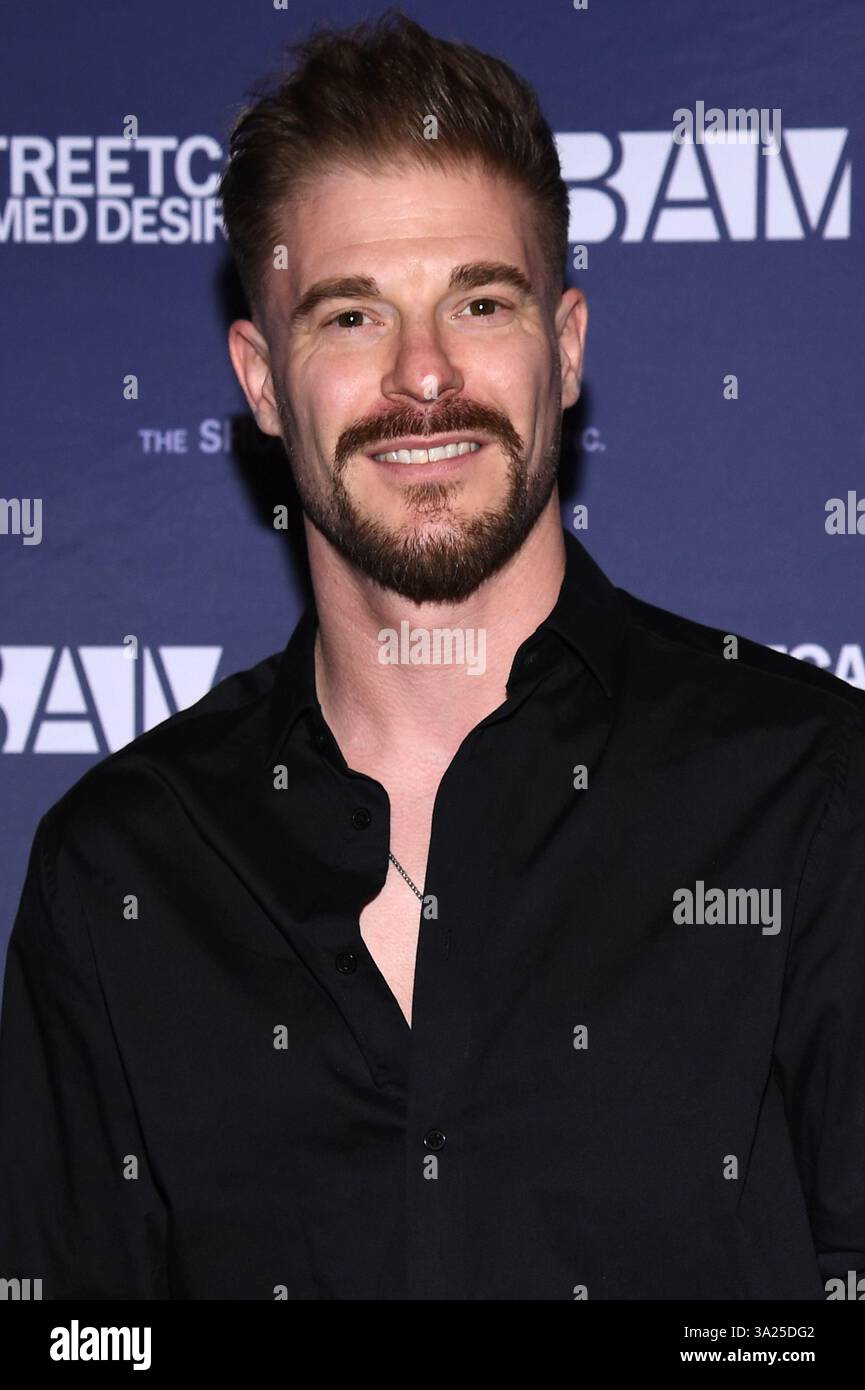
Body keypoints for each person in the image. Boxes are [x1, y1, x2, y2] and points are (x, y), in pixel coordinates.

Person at [1, 11, 863, 1301]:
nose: (423, 377)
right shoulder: (120, 868)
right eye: (350, 316)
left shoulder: (813, 795)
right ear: (260, 379)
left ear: (565, 348)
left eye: (479, 300)